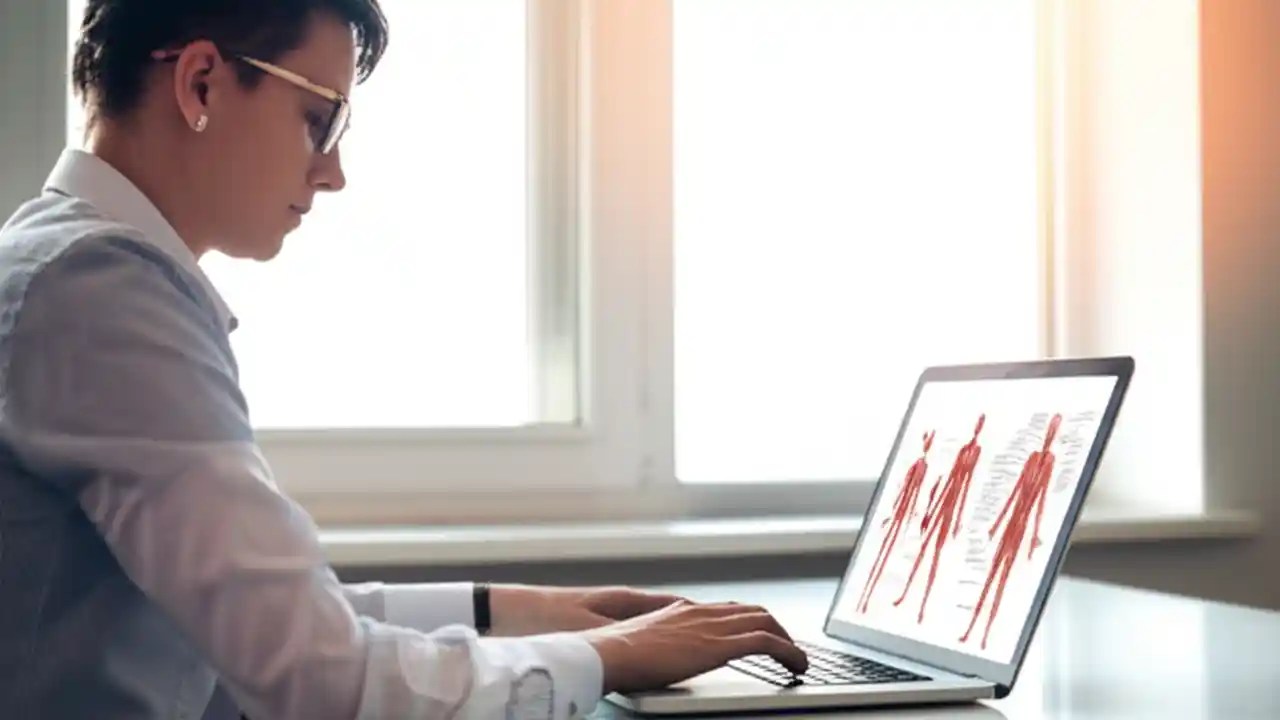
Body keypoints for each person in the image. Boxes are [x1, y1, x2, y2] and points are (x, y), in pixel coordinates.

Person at [0, 2, 807, 718]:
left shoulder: (67, 267)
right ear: (202, 83)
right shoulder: (103, 293)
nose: (334, 171)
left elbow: (279, 621)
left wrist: (530, 610)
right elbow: (321, 680)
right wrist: (613, 658)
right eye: (321, 118)